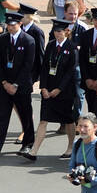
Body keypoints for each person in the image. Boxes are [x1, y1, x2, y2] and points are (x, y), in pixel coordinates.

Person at [0, 12, 37, 161]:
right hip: (5, 85)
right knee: (1, 116)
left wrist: (16, 84)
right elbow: (1, 63)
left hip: (21, 86)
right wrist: (4, 82)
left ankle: (28, 143)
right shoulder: (3, 39)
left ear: (20, 24)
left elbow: (28, 66)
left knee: (25, 115)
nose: (10, 28)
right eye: (8, 25)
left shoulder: (28, 40)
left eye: (13, 25)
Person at [32, 17, 79, 159]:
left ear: (66, 31)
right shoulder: (51, 45)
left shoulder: (72, 48)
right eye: (55, 31)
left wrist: (59, 89)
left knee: (68, 120)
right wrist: (43, 87)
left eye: (60, 31)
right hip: (49, 89)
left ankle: (70, 147)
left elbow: (71, 71)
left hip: (64, 91)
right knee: (43, 120)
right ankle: (34, 150)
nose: (57, 34)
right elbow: (45, 67)